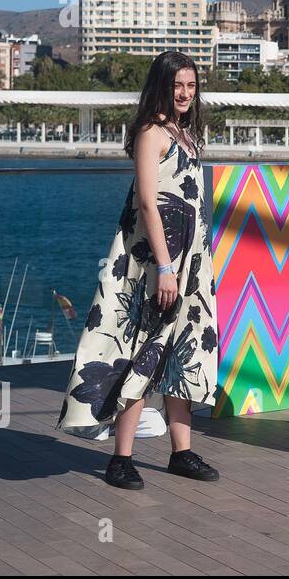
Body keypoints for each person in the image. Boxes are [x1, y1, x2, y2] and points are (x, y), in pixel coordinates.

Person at [57, 51, 220, 489]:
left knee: (183, 350)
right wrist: (165, 267)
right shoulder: (151, 132)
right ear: (160, 87)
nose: (185, 93)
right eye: (177, 85)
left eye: (190, 85)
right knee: (143, 349)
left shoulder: (186, 134)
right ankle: (121, 458)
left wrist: (193, 264)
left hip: (190, 264)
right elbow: (148, 202)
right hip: (156, 264)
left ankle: (181, 452)